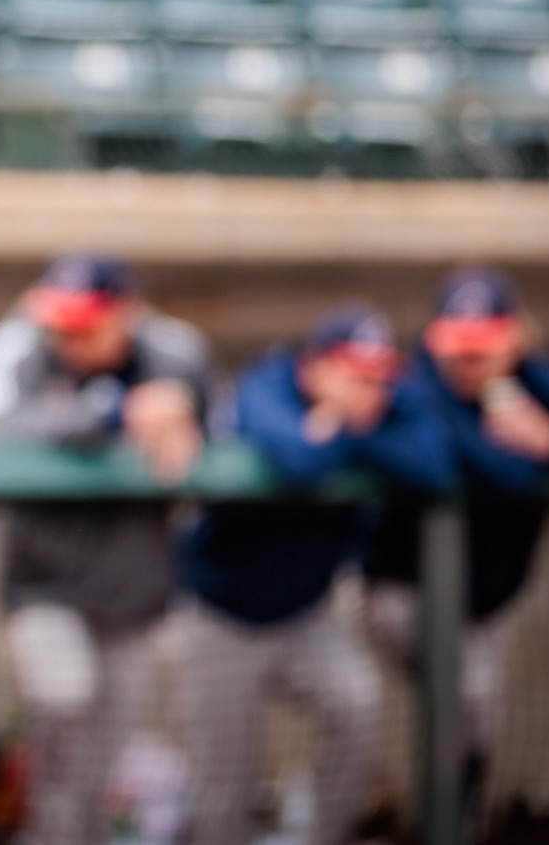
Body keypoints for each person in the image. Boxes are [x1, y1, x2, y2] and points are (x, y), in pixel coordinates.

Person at [360, 266, 549, 832]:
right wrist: (530, 452)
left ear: (516, 337)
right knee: (462, 703)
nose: (470, 361)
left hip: (484, 601)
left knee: (478, 721)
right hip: (401, 591)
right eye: (459, 349)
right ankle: (435, 823)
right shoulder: (416, 385)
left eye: (484, 347)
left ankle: (449, 824)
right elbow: (475, 471)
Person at [0, 254, 216, 845]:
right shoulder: (23, 345)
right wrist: (114, 411)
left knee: (106, 751)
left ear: (127, 312)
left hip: (134, 591)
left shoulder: (177, 352)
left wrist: (184, 410)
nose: (69, 336)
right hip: (44, 584)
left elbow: (225, 424)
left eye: (88, 323)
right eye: (62, 322)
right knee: (65, 697)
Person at [177, 304, 453, 845]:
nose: (367, 388)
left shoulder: (392, 402)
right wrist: (357, 440)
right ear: (314, 367)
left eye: (376, 376)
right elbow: (297, 460)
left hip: (306, 612)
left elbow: (437, 469)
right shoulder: (267, 383)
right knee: (226, 778)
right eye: (352, 373)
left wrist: (344, 430)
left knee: (359, 704)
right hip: (220, 613)